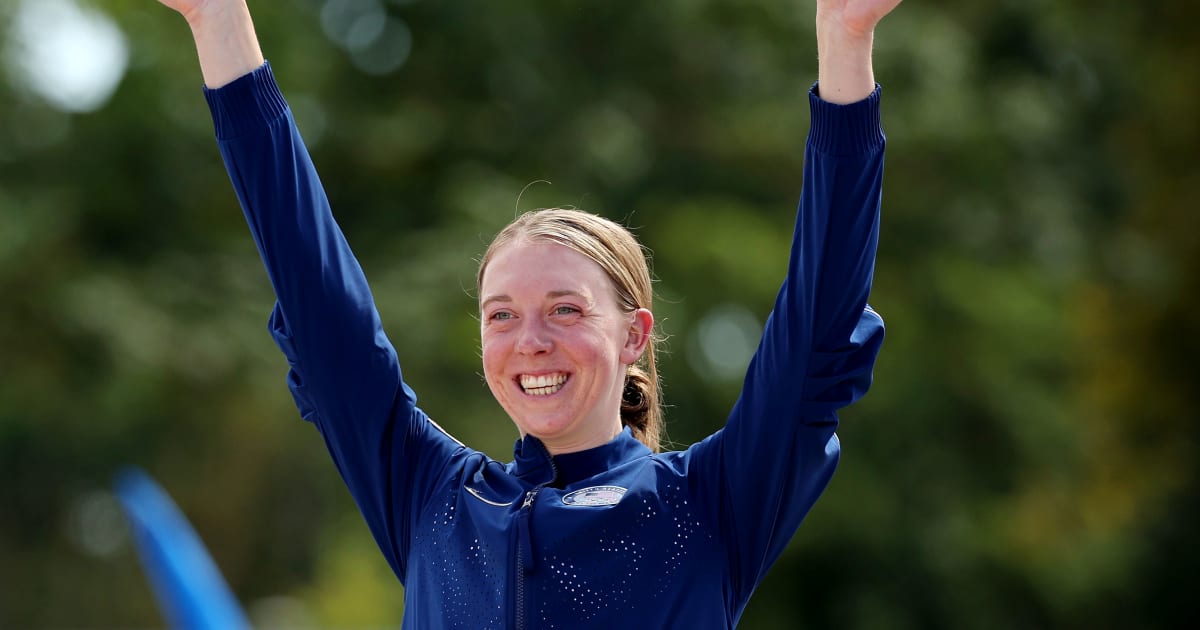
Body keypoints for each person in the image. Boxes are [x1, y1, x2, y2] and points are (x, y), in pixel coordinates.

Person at [155, 0, 898, 626]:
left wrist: (844, 36)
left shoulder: (707, 504)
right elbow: (316, 294)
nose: (530, 342)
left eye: (565, 309)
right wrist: (216, 17)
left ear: (633, 333)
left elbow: (818, 328)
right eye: (501, 316)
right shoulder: (430, 494)